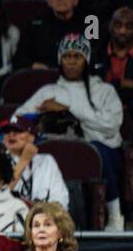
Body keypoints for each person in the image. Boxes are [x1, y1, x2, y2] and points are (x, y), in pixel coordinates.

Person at [15, 33, 125, 230]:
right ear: (60, 60)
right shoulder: (48, 91)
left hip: (104, 151)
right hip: (60, 151)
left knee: (96, 150)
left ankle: (116, 216)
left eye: (77, 57)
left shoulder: (104, 90)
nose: (72, 62)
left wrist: (67, 109)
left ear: (86, 59)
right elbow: (17, 119)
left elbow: (111, 124)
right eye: (67, 57)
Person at [2, 114, 70, 206]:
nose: (11, 134)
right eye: (7, 131)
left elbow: (61, 199)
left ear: (32, 137)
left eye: (18, 131)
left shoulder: (47, 161)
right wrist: (23, 161)